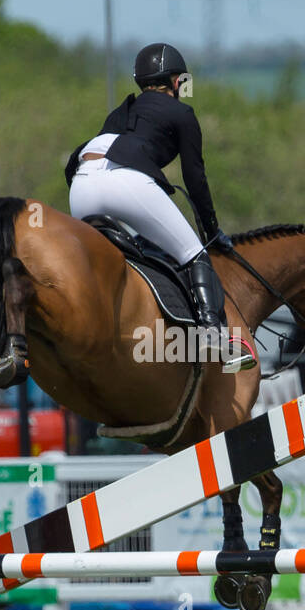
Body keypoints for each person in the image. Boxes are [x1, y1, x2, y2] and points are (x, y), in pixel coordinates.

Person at [65, 43, 256, 372]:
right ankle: (213, 335)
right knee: (193, 254)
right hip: (124, 183)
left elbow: (82, 164)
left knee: (133, 255)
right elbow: (195, 178)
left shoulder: (119, 112)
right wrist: (211, 232)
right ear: (177, 82)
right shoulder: (182, 114)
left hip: (81, 184)